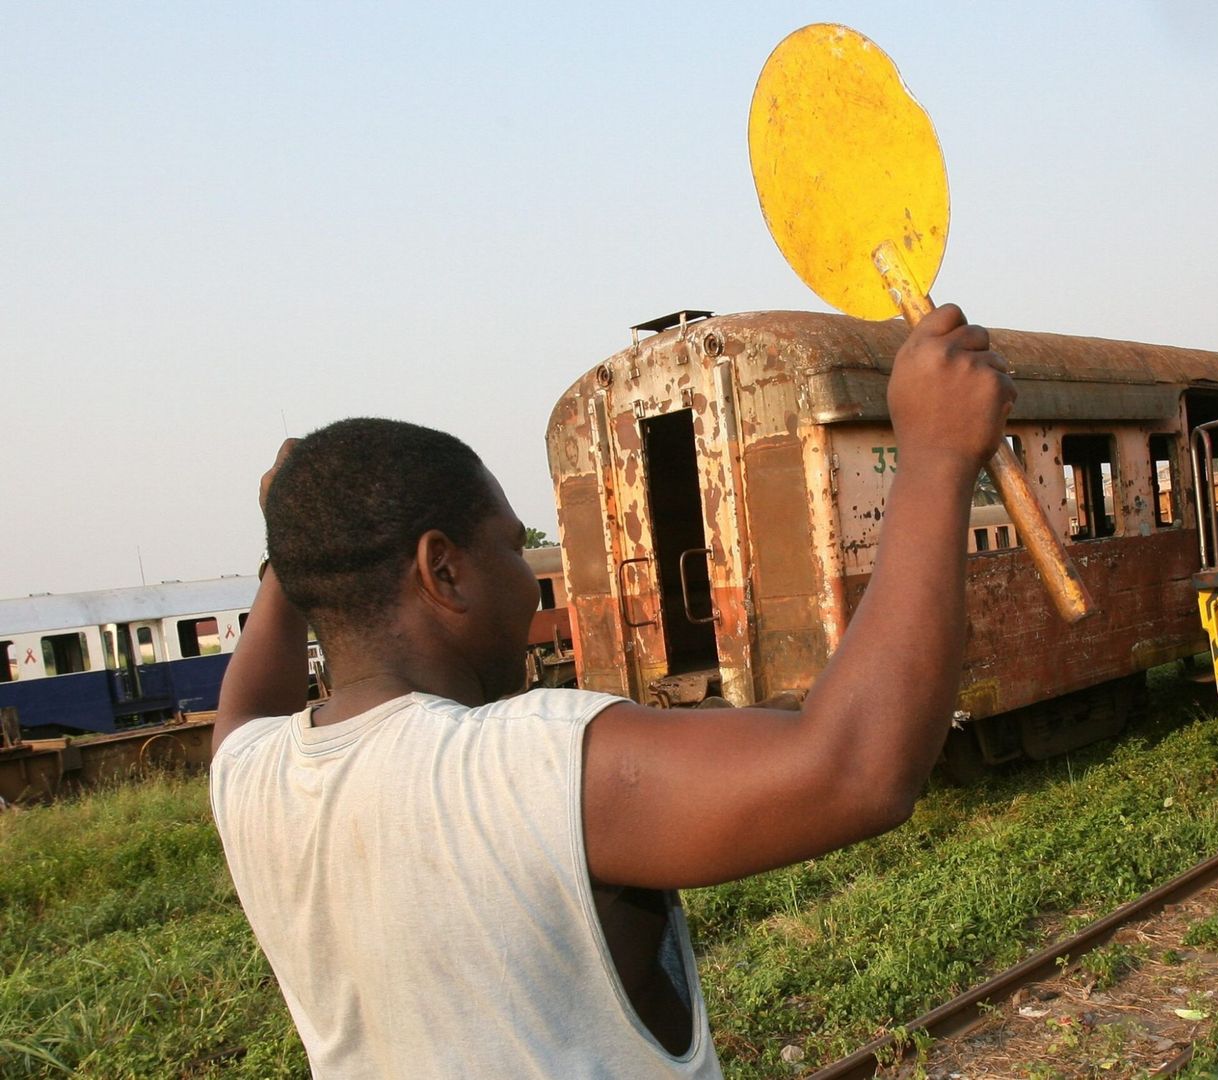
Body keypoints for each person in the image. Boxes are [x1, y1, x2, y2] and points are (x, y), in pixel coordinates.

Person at [210, 304, 1013, 1078]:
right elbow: (858, 772)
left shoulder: (248, 775)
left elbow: (247, 697)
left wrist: (292, 541)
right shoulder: (524, 763)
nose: (531, 582)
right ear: (443, 571)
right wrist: (937, 457)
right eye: (510, 548)